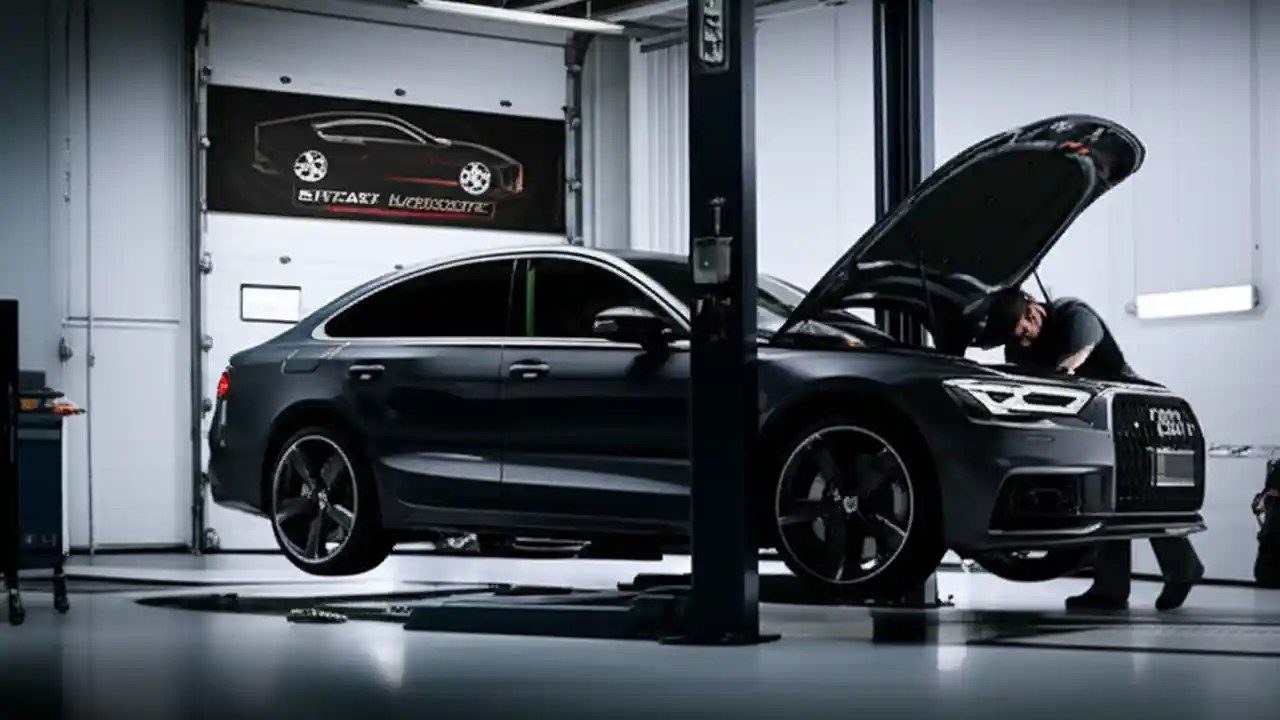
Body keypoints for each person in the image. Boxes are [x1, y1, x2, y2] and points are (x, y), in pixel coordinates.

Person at [975, 288, 1205, 612]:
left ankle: (1181, 567)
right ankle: (1112, 587)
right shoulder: (1018, 350)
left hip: (1131, 410)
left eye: (1024, 331)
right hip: (1092, 421)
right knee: (1105, 498)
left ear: (1033, 312)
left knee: (1142, 495)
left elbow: (1083, 345)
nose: (1023, 339)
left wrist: (1064, 371)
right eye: (1016, 337)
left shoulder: (1071, 312)